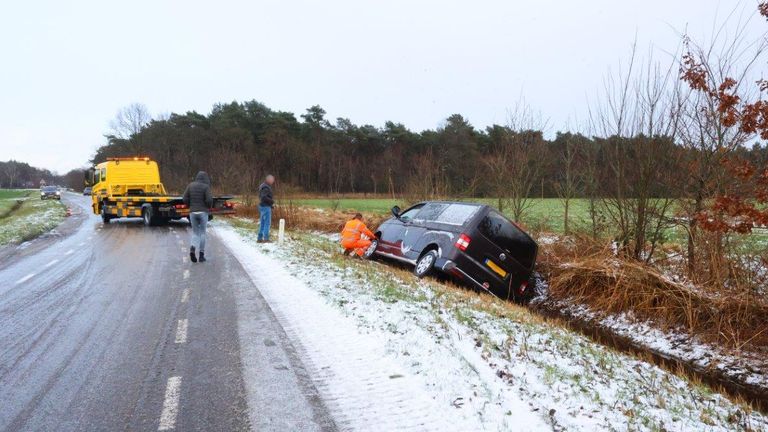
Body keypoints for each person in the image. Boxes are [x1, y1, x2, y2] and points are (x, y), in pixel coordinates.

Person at [183, 171, 213, 263]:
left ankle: (192, 249)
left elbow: (184, 198)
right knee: (203, 233)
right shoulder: (206, 187)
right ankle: (201, 255)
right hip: (203, 212)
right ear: (205, 179)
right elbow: (209, 200)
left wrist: (190, 205)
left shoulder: (190, 186)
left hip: (193, 212)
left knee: (195, 233)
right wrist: (208, 207)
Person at [257, 175, 275, 243]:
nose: (273, 181)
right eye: (272, 180)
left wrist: (270, 205)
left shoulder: (263, 186)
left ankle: (259, 238)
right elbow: (263, 197)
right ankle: (266, 239)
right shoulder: (266, 187)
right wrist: (272, 201)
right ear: (269, 180)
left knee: (262, 223)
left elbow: (263, 197)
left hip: (263, 206)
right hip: (265, 207)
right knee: (267, 223)